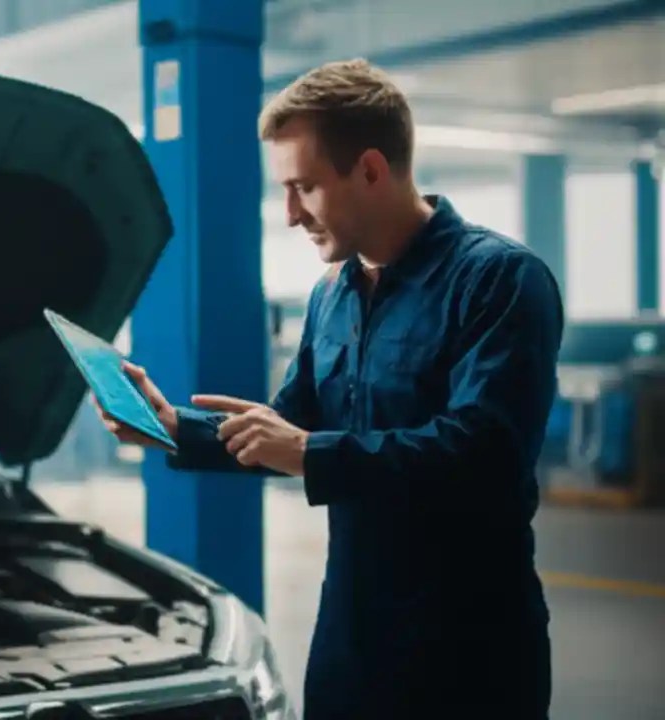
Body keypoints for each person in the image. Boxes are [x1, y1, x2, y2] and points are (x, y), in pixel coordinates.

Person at [96, 59, 560, 720]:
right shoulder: (331, 295)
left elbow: (483, 454)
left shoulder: (499, 281)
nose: (289, 215)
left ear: (370, 170)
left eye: (304, 187)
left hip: (468, 649)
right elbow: (289, 426)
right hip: (352, 639)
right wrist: (173, 429)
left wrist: (310, 452)